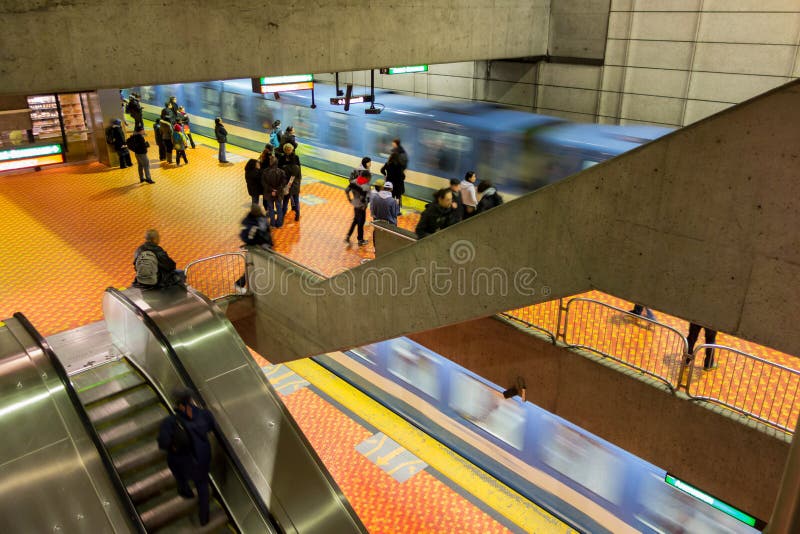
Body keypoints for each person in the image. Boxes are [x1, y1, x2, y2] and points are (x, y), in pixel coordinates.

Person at [157, 388, 216, 526]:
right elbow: (210, 427)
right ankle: (204, 518)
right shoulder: (205, 414)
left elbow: (163, 443)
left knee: (180, 475)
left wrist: (174, 445)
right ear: (190, 400)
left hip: (182, 462)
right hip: (202, 459)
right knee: (203, 487)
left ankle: (185, 491)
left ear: (178, 405)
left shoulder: (170, 422)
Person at [234, 205, 273, 293]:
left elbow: (267, 232)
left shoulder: (260, 218)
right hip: (258, 248)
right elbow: (248, 237)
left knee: (257, 266)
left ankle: (241, 283)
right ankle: (240, 283)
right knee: (254, 266)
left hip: (265, 247)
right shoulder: (250, 222)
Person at [345, 158, 371, 245]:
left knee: (355, 221)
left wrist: (349, 199)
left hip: (355, 204)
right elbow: (367, 198)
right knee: (361, 222)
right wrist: (365, 204)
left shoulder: (354, 182)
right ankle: (360, 240)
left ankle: (348, 236)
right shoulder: (366, 186)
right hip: (361, 207)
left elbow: (346, 190)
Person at [261, 155, 288, 227]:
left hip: (268, 193)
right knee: (279, 208)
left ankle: (272, 223)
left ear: (270, 163)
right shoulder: (281, 172)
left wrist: (272, 190)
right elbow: (283, 183)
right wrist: (276, 191)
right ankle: (279, 224)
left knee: (271, 209)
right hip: (279, 194)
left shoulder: (265, 172)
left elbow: (264, 183)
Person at [380, 138, 408, 206]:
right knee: (398, 197)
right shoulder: (399, 165)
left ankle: (390, 209)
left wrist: (385, 175)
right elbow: (403, 176)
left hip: (390, 183)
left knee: (390, 197)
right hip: (398, 184)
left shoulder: (388, 164)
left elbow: (382, 170)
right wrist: (401, 179)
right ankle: (397, 211)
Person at [279, 144, 302, 222]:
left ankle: (282, 216)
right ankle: (297, 215)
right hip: (295, 185)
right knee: (296, 201)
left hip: (286, 186)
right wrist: (298, 184)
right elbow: (299, 176)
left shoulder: (283, 163)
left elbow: (280, 173)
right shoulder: (297, 165)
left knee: (285, 201)